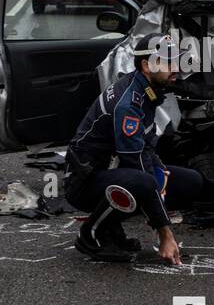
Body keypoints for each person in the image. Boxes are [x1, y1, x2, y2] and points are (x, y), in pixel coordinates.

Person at [63, 33, 203, 265]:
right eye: (167, 62)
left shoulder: (145, 89)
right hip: (83, 183)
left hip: (108, 173)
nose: (175, 67)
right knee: (143, 182)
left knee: (190, 182)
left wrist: (162, 178)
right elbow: (137, 166)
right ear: (147, 65)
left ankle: (111, 229)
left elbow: (146, 152)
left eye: (175, 60)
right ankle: (91, 234)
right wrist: (164, 231)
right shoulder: (129, 104)